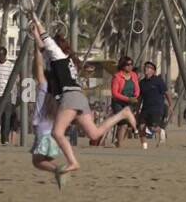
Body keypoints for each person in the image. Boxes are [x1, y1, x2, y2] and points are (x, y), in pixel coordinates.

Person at [33, 15, 136, 186]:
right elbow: (43, 48)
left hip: (70, 97)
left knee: (57, 133)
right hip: (79, 97)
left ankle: (73, 162)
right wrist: (34, 34)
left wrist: (37, 22)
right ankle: (123, 114)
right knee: (94, 134)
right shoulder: (62, 61)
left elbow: (46, 41)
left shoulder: (58, 55)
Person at [29, 37, 62, 177]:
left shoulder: (44, 86)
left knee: (36, 161)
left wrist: (37, 49)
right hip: (53, 131)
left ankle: (59, 171)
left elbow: (38, 67)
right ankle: (57, 172)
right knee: (46, 159)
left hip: (43, 130)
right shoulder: (58, 88)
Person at [138, 61, 170, 149]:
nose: (146, 68)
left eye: (148, 67)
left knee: (152, 128)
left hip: (156, 108)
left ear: (153, 71)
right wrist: (137, 109)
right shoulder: (142, 83)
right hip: (145, 108)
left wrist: (170, 105)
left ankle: (161, 131)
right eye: (145, 67)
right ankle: (144, 146)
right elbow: (140, 98)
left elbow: (166, 93)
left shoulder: (158, 81)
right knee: (141, 127)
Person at [110, 56, 140, 148]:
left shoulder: (134, 75)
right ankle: (120, 144)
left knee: (127, 124)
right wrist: (128, 99)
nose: (130, 66)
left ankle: (119, 141)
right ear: (122, 65)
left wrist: (135, 96)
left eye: (131, 64)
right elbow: (115, 93)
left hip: (130, 103)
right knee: (123, 123)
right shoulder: (117, 77)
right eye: (127, 65)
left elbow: (137, 88)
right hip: (118, 103)